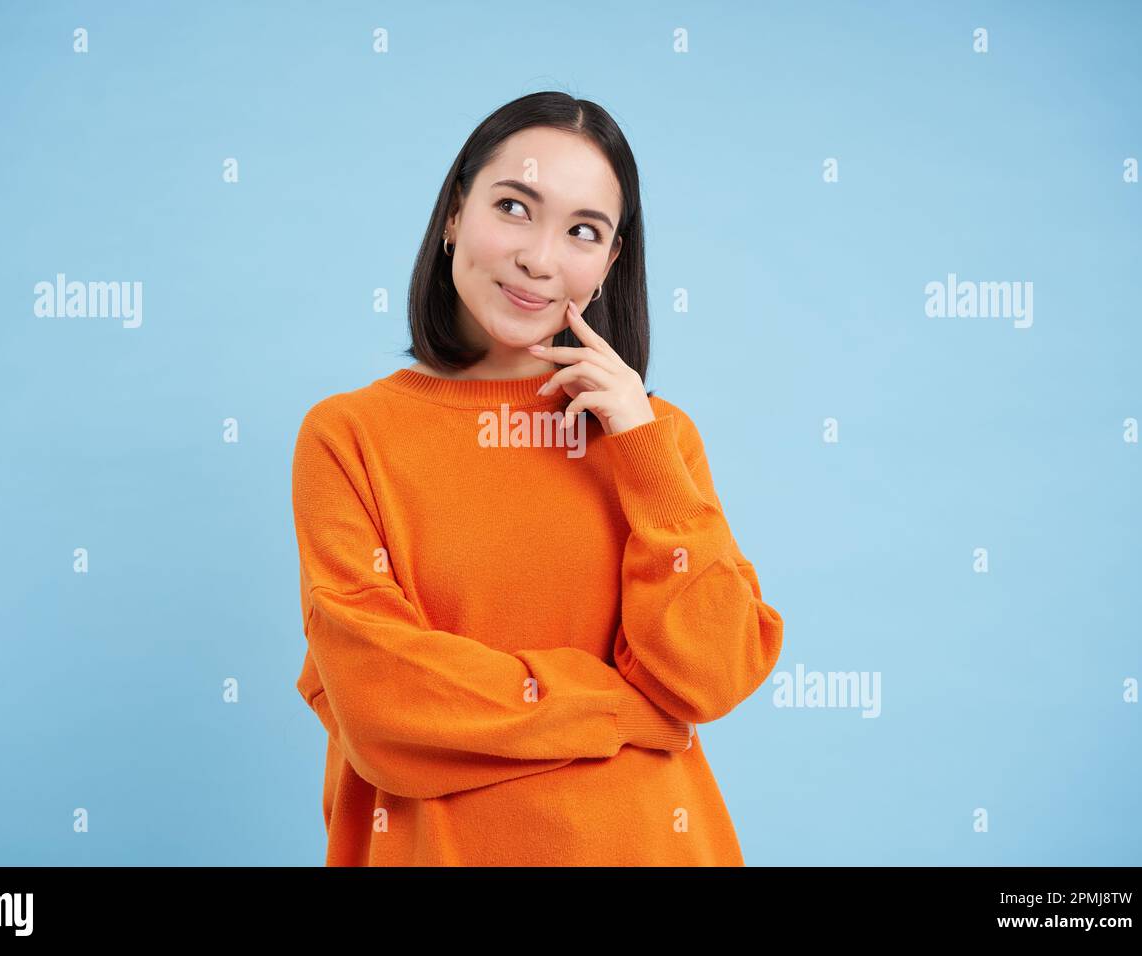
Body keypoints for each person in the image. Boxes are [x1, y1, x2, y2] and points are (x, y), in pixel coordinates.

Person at [291, 90, 784, 866]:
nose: (540, 258)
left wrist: (640, 449)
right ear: (455, 213)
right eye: (515, 208)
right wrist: (626, 711)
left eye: (583, 231)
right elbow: (383, 709)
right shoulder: (350, 437)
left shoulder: (660, 442)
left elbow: (712, 675)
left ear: (610, 262)